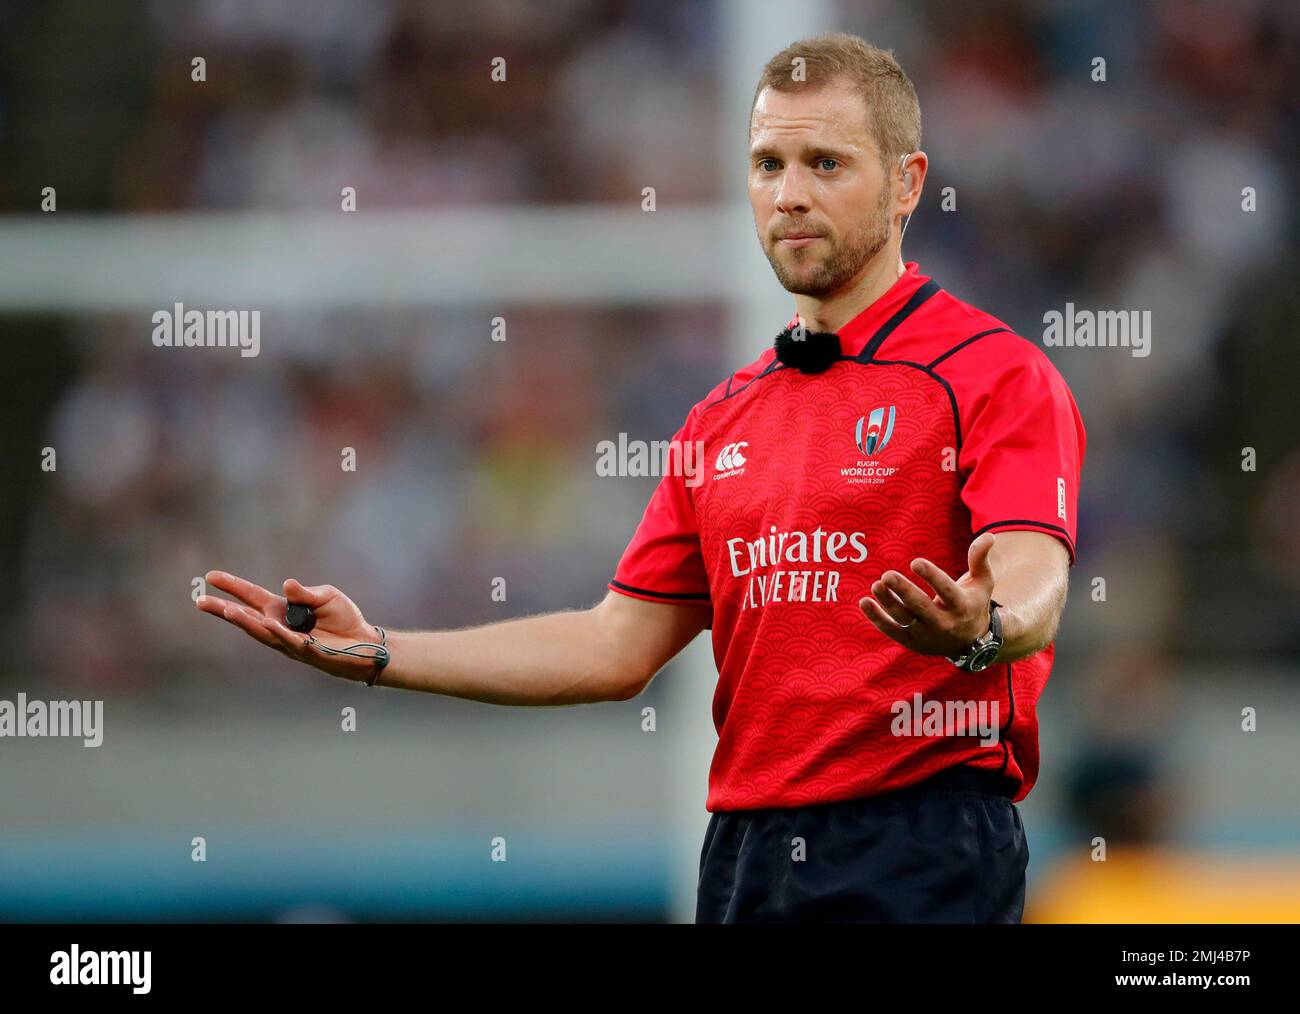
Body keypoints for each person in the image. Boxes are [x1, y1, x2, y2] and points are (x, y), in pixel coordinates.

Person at [197, 33, 1085, 923]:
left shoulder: (991, 374)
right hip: (744, 857)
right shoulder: (722, 419)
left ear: (906, 182)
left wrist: (987, 627)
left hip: (915, 844)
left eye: (825, 163)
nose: (790, 194)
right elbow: (612, 646)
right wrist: (381, 651)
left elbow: (1031, 575)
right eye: (768, 163)